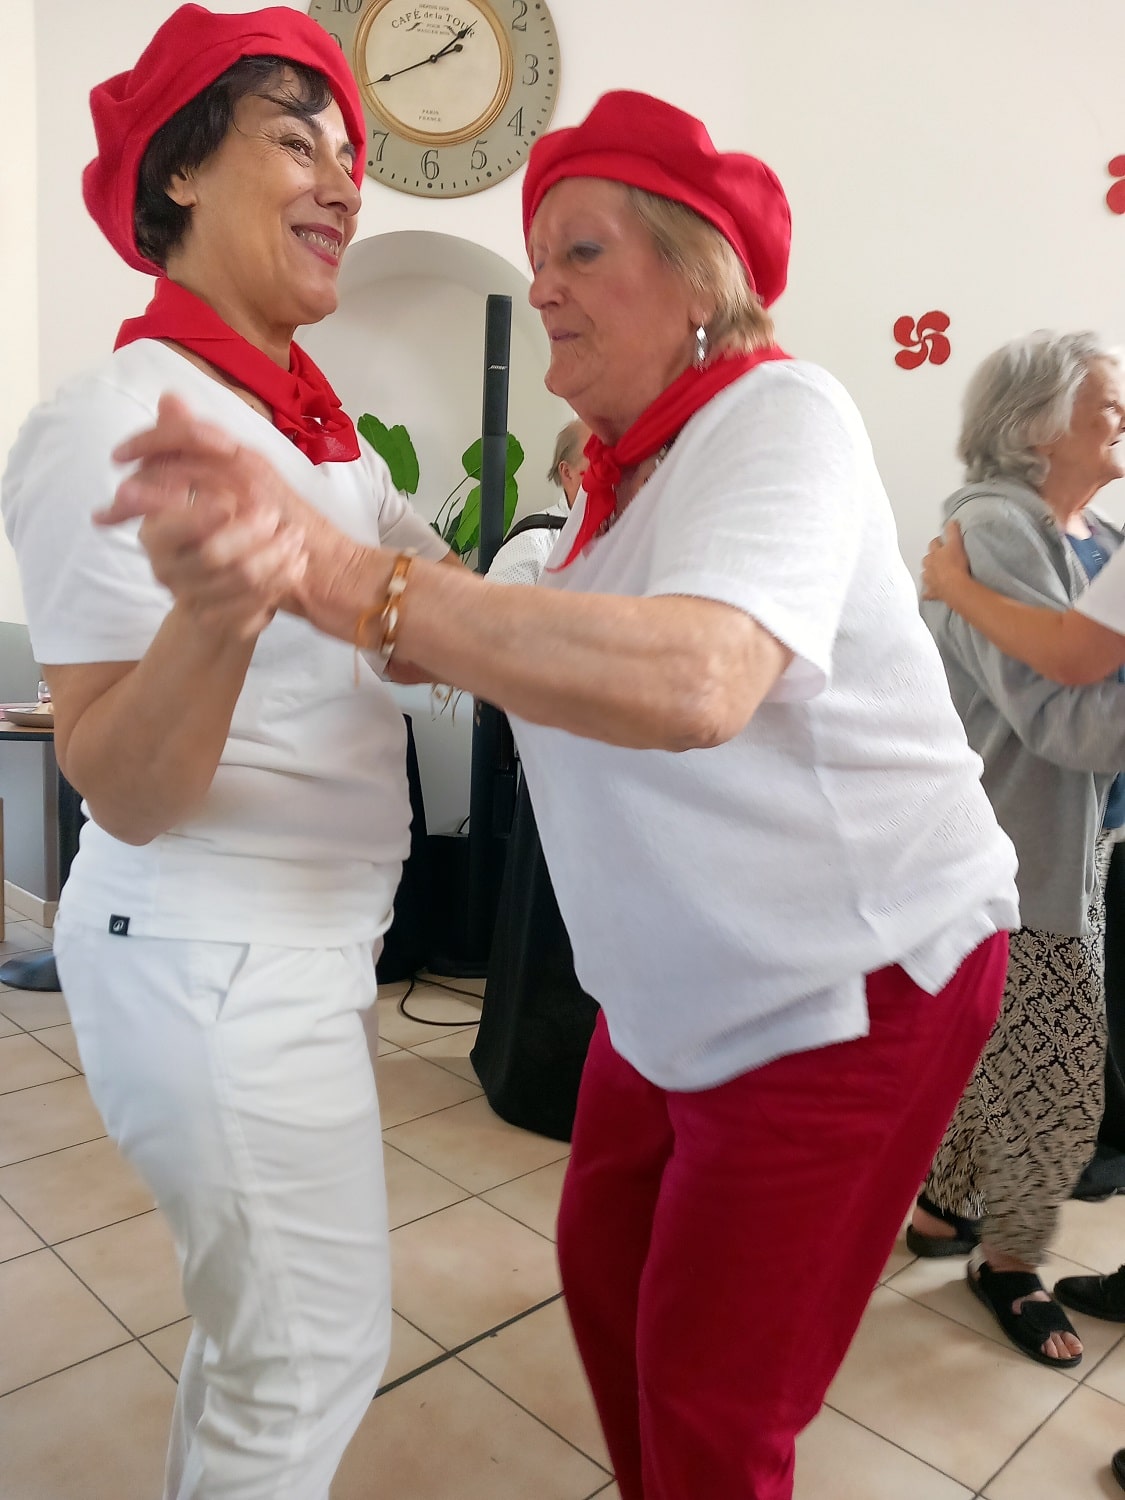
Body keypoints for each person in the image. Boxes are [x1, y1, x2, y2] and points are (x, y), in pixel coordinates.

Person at [95, 90, 1019, 1500]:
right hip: (671, 1004)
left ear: (701, 277)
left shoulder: (784, 414)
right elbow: (491, 622)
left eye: (582, 251)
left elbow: (699, 679)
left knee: (712, 1393)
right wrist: (296, 522)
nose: (542, 287)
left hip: (849, 983)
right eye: (538, 260)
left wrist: (334, 569)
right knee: (606, 1281)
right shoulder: (606, 496)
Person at [0, 8, 455, 1497]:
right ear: (180, 170)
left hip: (300, 951)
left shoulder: (320, 435)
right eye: (294, 137)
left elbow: (420, 607)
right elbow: (118, 789)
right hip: (211, 955)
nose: (341, 180)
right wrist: (223, 613)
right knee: (312, 1354)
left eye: (351, 153)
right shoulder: (111, 421)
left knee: (258, 1345)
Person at [909, 331, 1125, 1370]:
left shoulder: (1095, 533)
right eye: (1106, 402)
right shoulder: (994, 526)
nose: (1121, 416)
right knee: (1059, 1070)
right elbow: (1070, 724)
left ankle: (947, 1212)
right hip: (1016, 845)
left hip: (1073, 844)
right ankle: (1007, 1260)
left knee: (1003, 1049)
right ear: (1038, 423)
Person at [485, 416, 590, 586]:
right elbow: (490, 611)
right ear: (567, 472)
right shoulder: (531, 545)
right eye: (598, 460)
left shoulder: (627, 535)